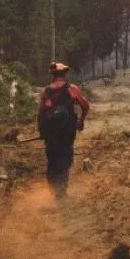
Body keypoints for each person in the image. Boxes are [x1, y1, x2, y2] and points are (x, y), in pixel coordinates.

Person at [36, 62, 90, 199]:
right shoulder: (72, 89)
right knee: (65, 157)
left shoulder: (46, 91)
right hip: (67, 131)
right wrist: (81, 121)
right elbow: (85, 106)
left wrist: (42, 132)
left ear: (53, 75)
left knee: (52, 158)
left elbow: (40, 113)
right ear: (64, 75)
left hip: (51, 133)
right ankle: (62, 191)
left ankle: (54, 189)